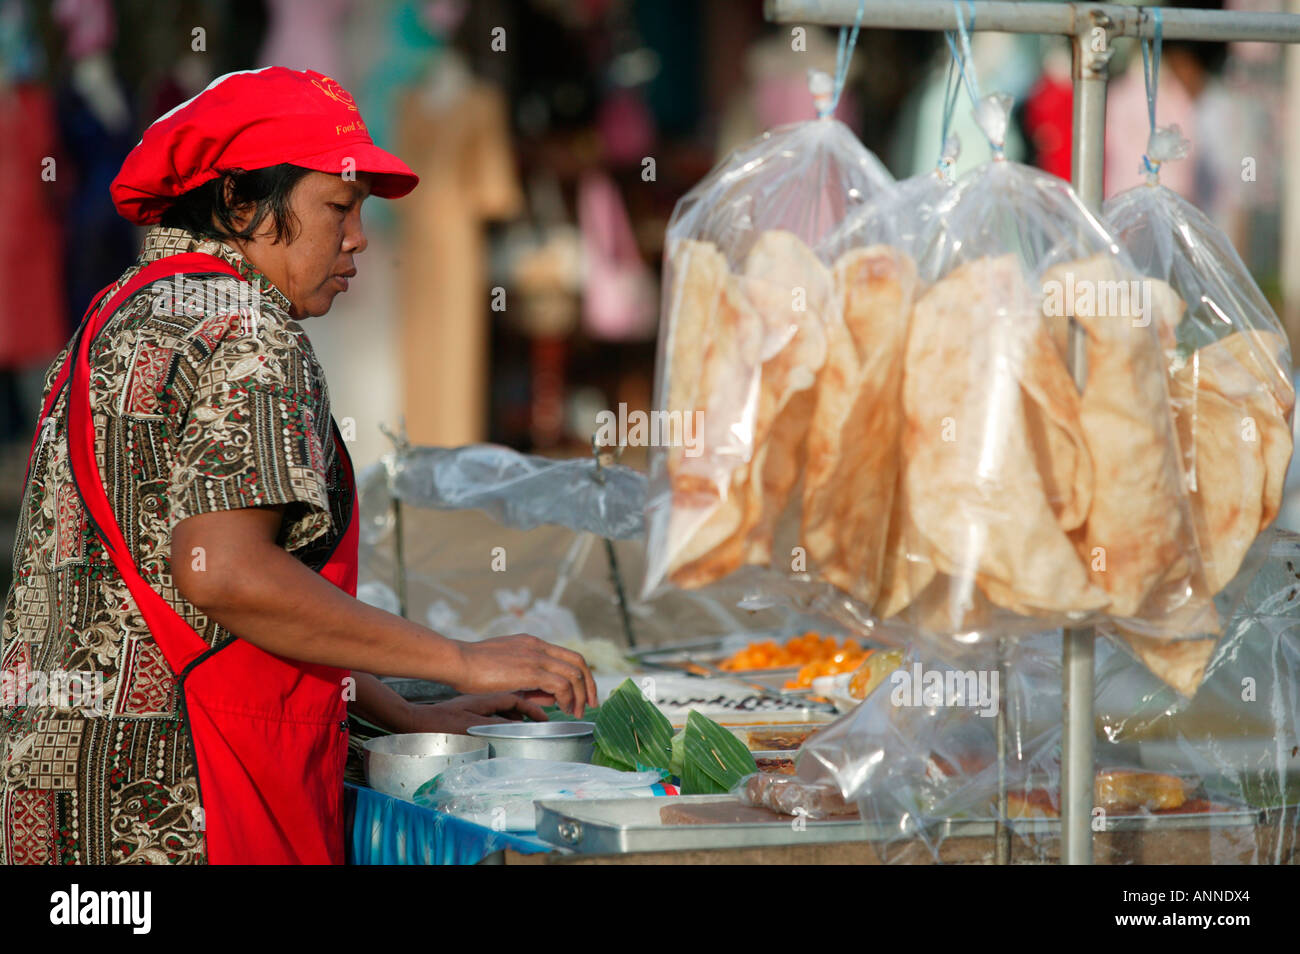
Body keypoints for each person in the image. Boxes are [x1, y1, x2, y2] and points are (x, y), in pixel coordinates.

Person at [0, 67, 596, 865]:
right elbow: (227, 575)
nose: (357, 239)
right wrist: (460, 658)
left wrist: (405, 713)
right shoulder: (250, 334)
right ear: (243, 204)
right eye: (338, 208)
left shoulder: (124, 311)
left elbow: (207, 603)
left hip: (62, 798)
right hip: (185, 810)